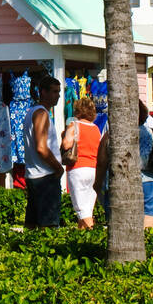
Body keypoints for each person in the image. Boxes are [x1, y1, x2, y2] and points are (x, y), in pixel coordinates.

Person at [23, 76, 64, 228]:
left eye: (58, 92)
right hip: (45, 176)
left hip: (34, 175)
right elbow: (41, 147)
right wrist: (58, 168)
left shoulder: (32, 112)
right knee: (49, 227)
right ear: (43, 92)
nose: (58, 95)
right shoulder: (42, 114)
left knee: (32, 225)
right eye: (54, 91)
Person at [62, 96, 102, 229]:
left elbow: (67, 144)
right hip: (94, 170)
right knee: (87, 209)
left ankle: (93, 234)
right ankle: (83, 240)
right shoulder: (96, 129)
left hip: (77, 168)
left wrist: (64, 136)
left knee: (81, 210)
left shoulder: (74, 125)